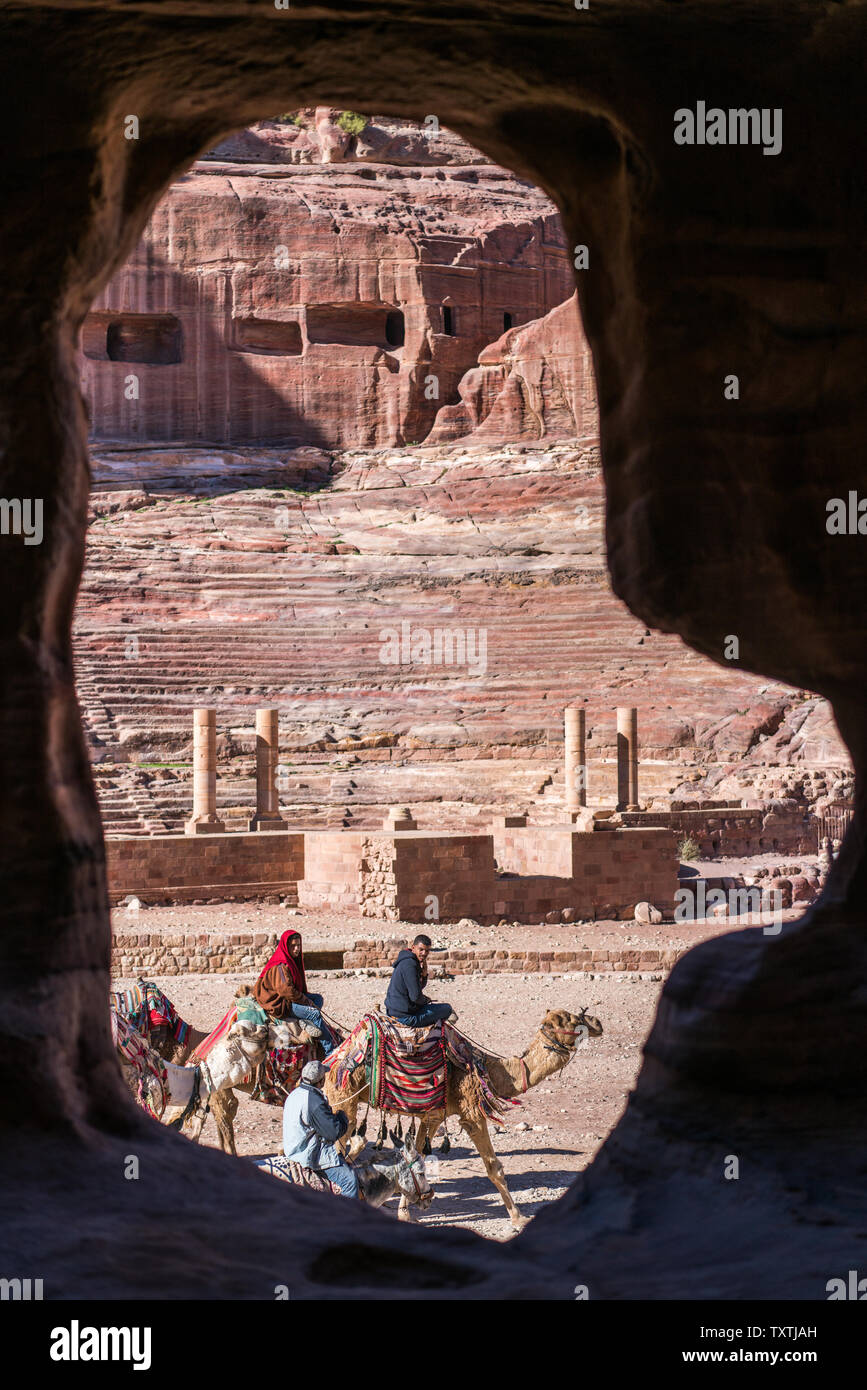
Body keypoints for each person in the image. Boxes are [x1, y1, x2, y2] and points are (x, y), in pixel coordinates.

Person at [282, 1060, 359, 1197]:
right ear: (320, 1080)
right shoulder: (314, 1102)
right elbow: (333, 1132)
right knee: (350, 1181)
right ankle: (346, 1216)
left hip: (292, 1148)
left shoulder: (295, 1093)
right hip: (306, 1156)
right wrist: (342, 1117)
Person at [253, 928, 335, 1055]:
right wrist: (305, 1001)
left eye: (298, 945)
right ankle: (329, 1051)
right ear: (286, 947)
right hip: (279, 1003)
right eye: (293, 946)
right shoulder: (281, 965)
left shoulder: (290, 961)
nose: (297, 949)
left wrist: (306, 1000)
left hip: (287, 999)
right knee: (314, 1014)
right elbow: (286, 991)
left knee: (318, 999)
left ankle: (305, 1022)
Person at [384, 933, 455, 1027]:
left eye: (427, 950)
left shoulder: (408, 961)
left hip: (395, 1011)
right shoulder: (410, 965)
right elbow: (416, 997)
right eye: (421, 950)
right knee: (447, 1009)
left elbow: (417, 987)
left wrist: (424, 974)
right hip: (405, 1017)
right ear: (413, 948)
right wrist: (426, 1000)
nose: (424, 953)